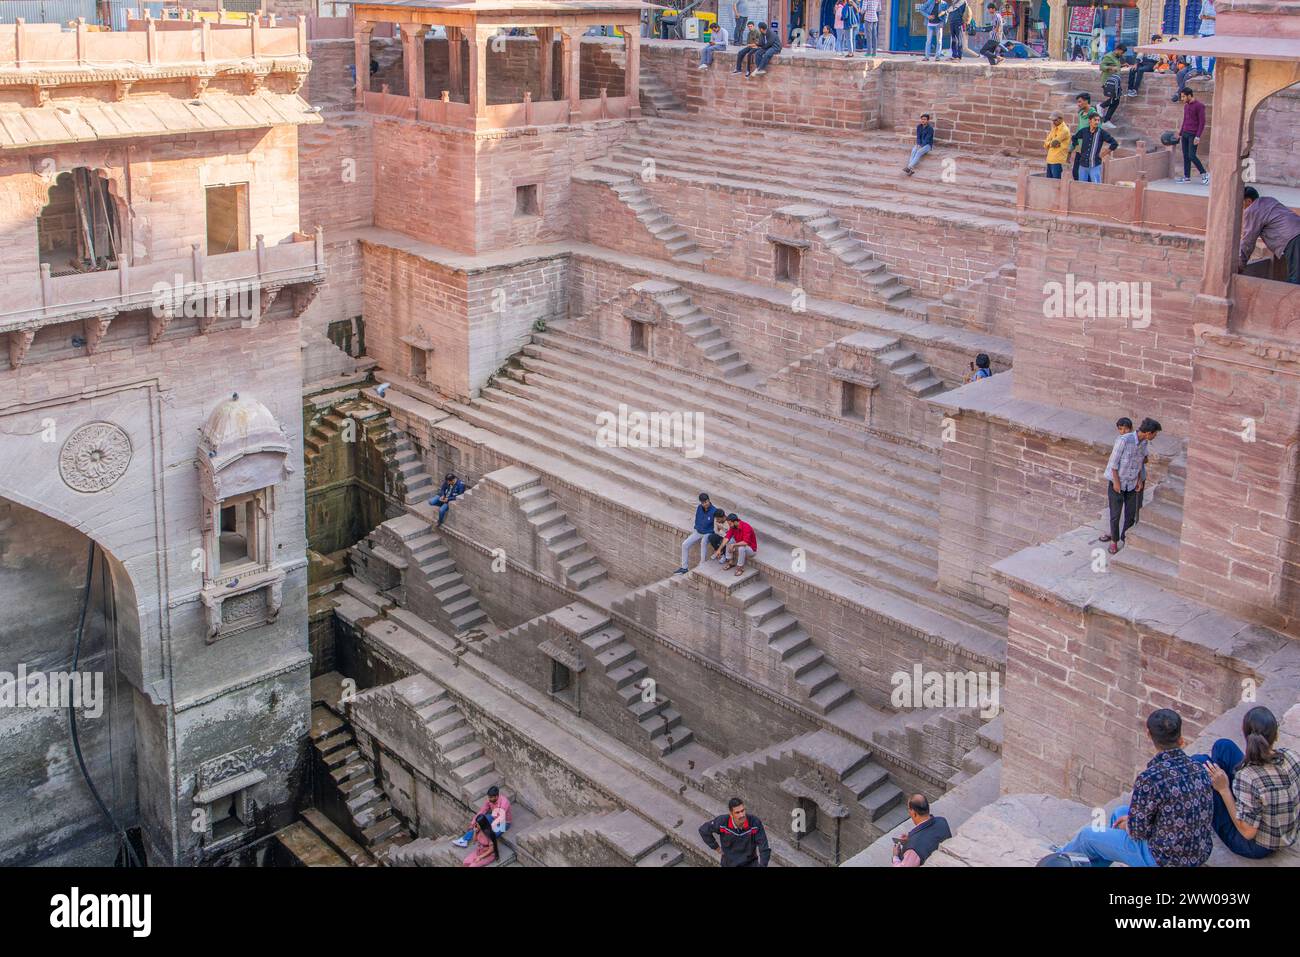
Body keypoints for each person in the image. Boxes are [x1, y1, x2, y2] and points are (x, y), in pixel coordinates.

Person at [1058, 709, 1214, 867]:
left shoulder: (1150, 778)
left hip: (1164, 860)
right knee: (1121, 812)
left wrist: (1128, 824)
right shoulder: (1198, 768)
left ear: (1148, 734)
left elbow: (1137, 832)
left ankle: (1057, 859)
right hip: (1197, 853)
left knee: (1087, 836)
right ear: (1180, 737)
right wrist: (1130, 822)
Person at [1195, 706, 1300, 859]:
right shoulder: (1292, 756)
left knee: (1200, 763)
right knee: (1223, 746)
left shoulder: (1247, 777)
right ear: (1276, 735)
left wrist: (1224, 790)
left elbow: (1247, 833)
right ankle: (1242, 802)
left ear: (1246, 735)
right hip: (1285, 830)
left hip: (1256, 845)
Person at [1100, 416, 1160, 553]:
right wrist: (1116, 482)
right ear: (1149, 432)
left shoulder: (1144, 443)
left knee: (1130, 514)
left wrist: (1139, 480)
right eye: (1155, 433)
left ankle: (1125, 537)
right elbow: (1113, 464)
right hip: (1118, 482)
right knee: (1115, 514)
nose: (1155, 436)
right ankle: (1114, 541)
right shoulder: (1124, 440)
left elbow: (1140, 463)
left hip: (1132, 483)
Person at [1240, 186, 1300, 284]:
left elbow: (1248, 241)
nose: (1242, 208)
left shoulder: (1252, 210)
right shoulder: (1269, 200)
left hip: (1294, 239)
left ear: (1249, 201)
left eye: (1242, 203)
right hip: (1295, 234)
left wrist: (1240, 265)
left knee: (1295, 280)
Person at [698, 798, 771, 867]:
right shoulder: (722, 822)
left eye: (743, 811)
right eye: (737, 812)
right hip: (728, 864)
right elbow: (704, 830)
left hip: (750, 863)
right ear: (731, 814)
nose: (741, 815)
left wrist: (762, 865)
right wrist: (716, 847)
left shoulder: (755, 823)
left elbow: (764, 848)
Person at [891, 794, 952, 866]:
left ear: (914, 813)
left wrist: (896, 856)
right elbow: (930, 837)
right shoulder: (942, 821)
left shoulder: (913, 850)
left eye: (908, 809)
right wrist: (911, 837)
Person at [676, 492, 725, 573]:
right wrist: (697, 527)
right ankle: (684, 567)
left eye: (706, 502)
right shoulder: (699, 507)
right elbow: (697, 518)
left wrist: (710, 531)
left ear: (709, 500)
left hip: (709, 532)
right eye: (703, 503)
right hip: (698, 531)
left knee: (703, 542)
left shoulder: (714, 511)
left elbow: (717, 525)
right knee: (684, 544)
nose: (705, 504)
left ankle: (702, 563)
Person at [1069, 112, 1117, 185]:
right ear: (1089, 121)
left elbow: (1114, 143)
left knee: (1097, 186)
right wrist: (1078, 147)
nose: (1097, 122)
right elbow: (1074, 138)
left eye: (1098, 120)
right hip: (1082, 165)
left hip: (1094, 165)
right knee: (1081, 186)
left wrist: (1103, 154)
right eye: (1095, 120)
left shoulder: (1102, 133)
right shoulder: (1084, 131)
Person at [1176, 87, 1208, 186]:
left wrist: (1198, 136)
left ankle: (1204, 174)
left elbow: (1202, 123)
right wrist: (1180, 133)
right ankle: (1187, 177)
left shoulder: (1199, 106)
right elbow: (1185, 120)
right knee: (1186, 156)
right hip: (1185, 133)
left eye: (1183, 96)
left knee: (1191, 155)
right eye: (1181, 97)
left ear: (1189, 95)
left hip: (1193, 134)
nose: (1182, 99)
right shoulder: (1186, 106)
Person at [1098, 44, 1125, 123]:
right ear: (1117, 49)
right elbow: (1101, 67)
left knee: (1116, 101)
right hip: (1108, 81)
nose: (1122, 54)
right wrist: (1111, 68)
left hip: (1115, 82)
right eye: (1121, 52)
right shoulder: (1108, 56)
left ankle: (1106, 120)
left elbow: (1116, 67)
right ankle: (1101, 106)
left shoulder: (1117, 58)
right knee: (1115, 99)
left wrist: (1122, 66)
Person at [1043, 112, 1070, 179]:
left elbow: (1054, 143)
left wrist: (1049, 143)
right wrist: (1049, 143)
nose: (1053, 122)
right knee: (1049, 182)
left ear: (1061, 119)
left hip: (1058, 160)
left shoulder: (1064, 130)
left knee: (1056, 183)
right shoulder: (1054, 128)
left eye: (1055, 120)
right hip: (1050, 159)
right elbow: (1046, 143)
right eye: (1052, 120)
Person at [1195, 0, 1216, 78]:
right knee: (1197, 52)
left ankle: (1209, 72)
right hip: (1203, 30)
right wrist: (1202, 16)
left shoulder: (1219, 3)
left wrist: (1210, 17)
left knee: (1212, 53)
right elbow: (1200, 15)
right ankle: (1199, 70)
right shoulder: (1205, 2)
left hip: (1213, 31)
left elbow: (1221, 18)